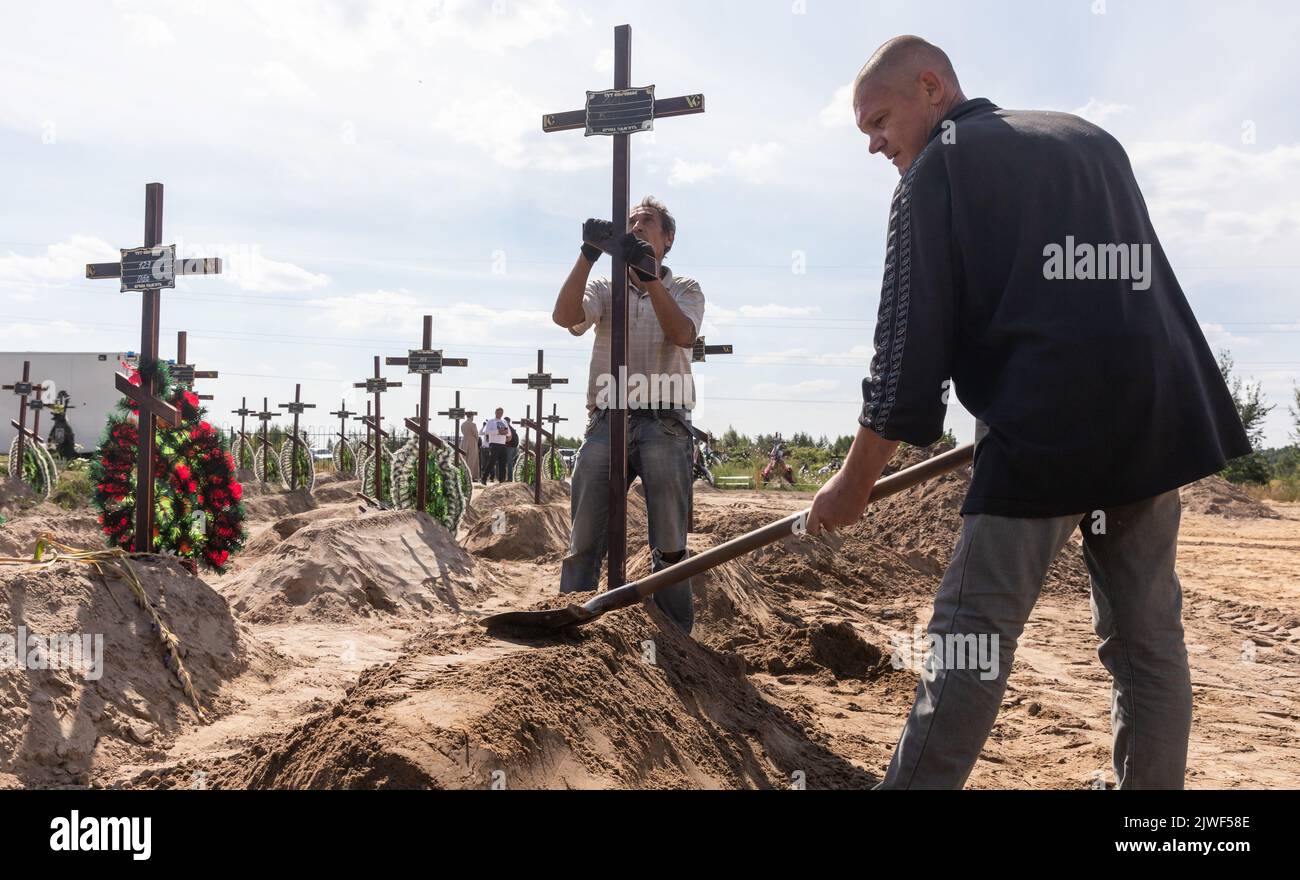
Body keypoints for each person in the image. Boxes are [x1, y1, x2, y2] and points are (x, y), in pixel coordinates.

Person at [805, 36, 1251, 790]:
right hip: (1152, 422)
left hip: (1041, 432)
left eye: (879, 122)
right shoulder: (1088, 138)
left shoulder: (936, 170)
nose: (875, 145)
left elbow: (907, 349)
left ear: (931, 88)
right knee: (1148, 644)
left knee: (969, 644)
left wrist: (851, 484)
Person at [551, 196, 704, 634]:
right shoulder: (605, 286)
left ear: (668, 238)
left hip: (665, 423)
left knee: (670, 544)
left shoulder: (685, 287)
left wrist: (648, 277)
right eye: (632, 222)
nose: (637, 227)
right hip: (608, 418)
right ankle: (568, 629)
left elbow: (680, 334)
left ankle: (676, 638)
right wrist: (588, 254)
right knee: (583, 539)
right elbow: (564, 316)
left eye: (648, 222)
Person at [483, 408, 510, 483]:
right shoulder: (491, 421)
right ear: (495, 412)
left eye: (502, 412)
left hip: (502, 444)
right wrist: (498, 432)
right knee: (492, 462)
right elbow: (486, 431)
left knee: (503, 463)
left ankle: (502, 480)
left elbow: (509, 433)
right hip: (494, 444)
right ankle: (484, 478)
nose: (500, 414)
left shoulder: (504, 421)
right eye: (499, 412)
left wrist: (505, 432)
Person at [459, 419, 480, 483]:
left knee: (464, 458)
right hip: (472, 442)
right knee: (472, 459)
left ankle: (463, 474)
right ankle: (471, 476)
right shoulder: (473, 424)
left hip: (464, 441)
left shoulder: (463, 424)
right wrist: (477, 441)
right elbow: (476, 434)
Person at [503, 416, 519, 481]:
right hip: (514, 448)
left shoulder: (507, 428)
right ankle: (509, 478)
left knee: (509, 463)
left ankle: (509, 478)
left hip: (510, 447)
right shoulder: (512, 428)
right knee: (509, 463)